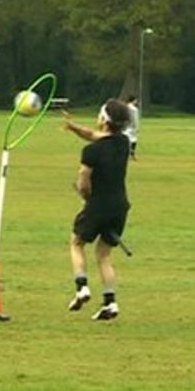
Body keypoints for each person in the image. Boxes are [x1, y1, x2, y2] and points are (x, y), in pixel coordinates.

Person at [63, 99, 131, 320]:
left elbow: (83, 179)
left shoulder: (90, 151)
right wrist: (74, 129)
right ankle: (110, 303)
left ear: (104, 119)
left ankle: (81, 287)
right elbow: (96, 136)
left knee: (76, 242)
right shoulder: (123, 143)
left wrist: (85, 194)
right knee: (104, 254)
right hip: (120, 206)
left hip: (98, 204)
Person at [123, 95, 140, 160]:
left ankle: (126, 154)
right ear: (133, 100)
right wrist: (137, 127)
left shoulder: (124, 107)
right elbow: (135, 119)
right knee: (133, 140)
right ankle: (132, 154)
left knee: (126, 140)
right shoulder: (134, 109)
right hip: (132, 126)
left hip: (124, 126)